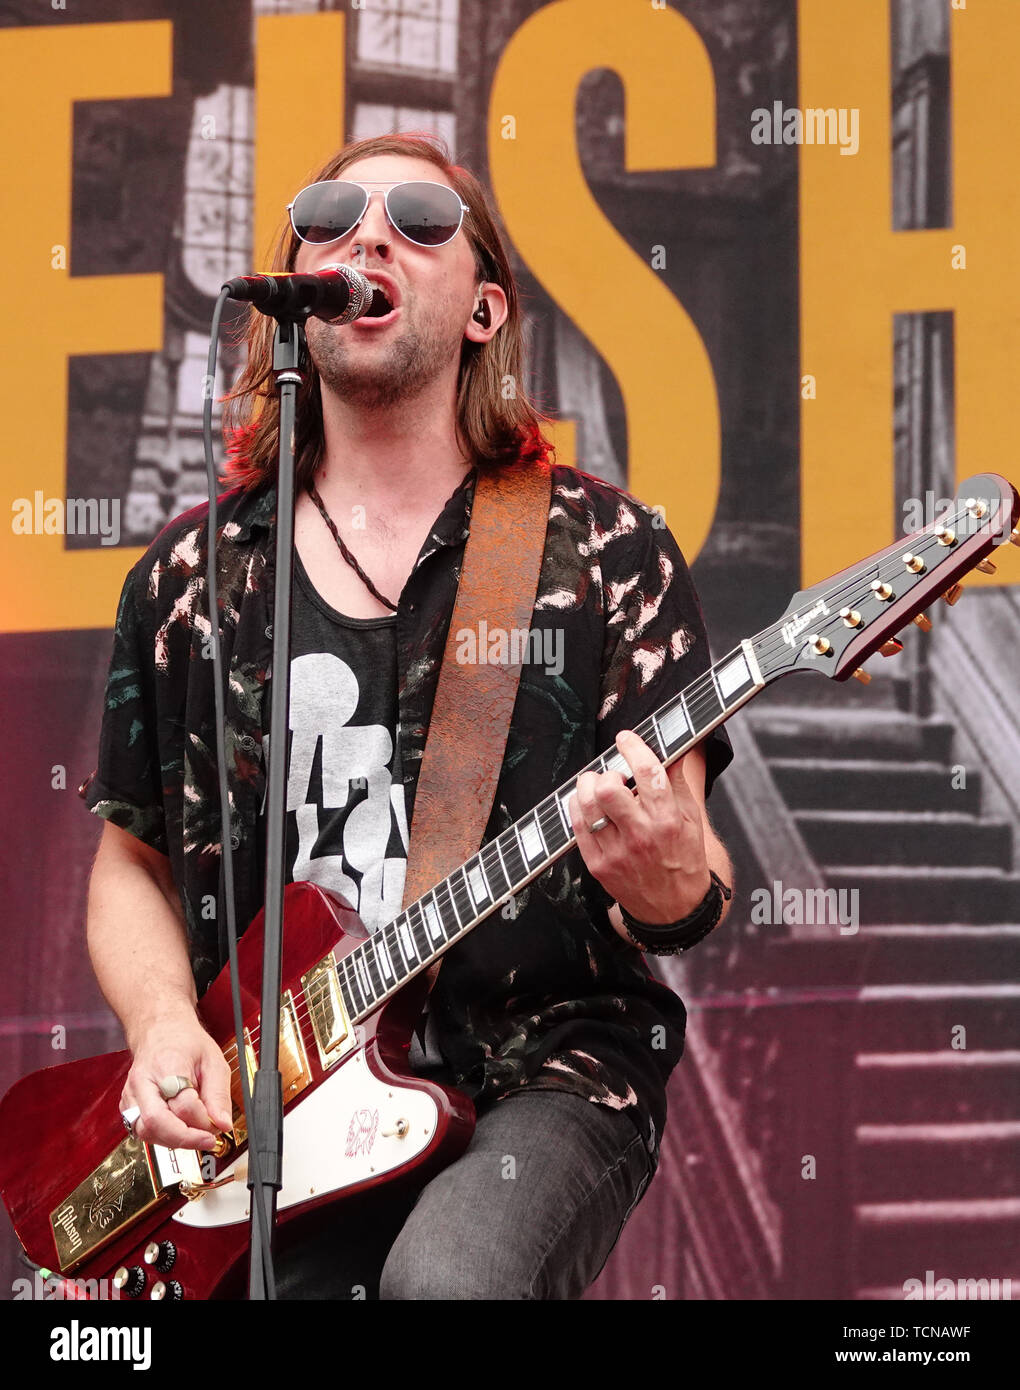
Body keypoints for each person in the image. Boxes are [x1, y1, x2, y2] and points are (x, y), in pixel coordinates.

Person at [81, 132, 734, 1300]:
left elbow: (688, 883)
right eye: (330, 215)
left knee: (447, 1286)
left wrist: (670, 878)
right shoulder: (191, 579)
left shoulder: (602, 554)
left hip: (542, 1070)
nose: (367, 235)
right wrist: (162, 1019)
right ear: (291, 300)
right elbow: (132, 856)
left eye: (422, 218)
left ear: (485, 310)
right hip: (283, 1098)